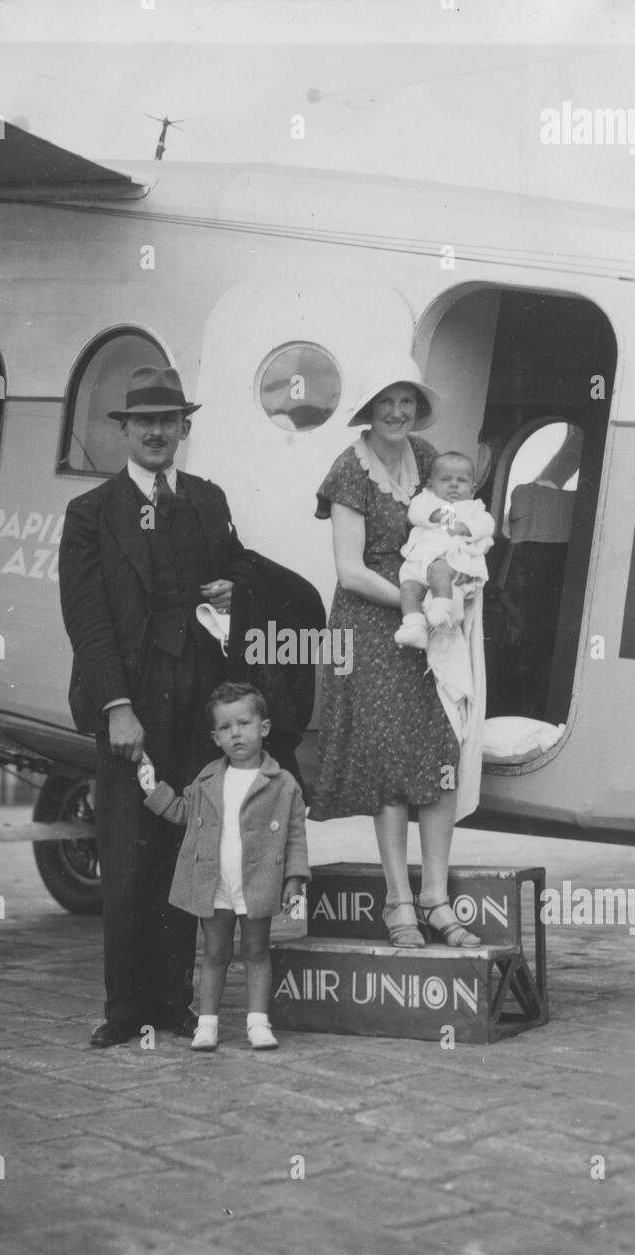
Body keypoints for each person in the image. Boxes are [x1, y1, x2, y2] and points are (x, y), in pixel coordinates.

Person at [58, 365, 244, 1047]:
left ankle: (171, 1003)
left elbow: (238, 564)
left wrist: (232, 589)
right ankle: (124, 1011)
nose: (158, 431)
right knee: (128, 857)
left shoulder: (206, 499)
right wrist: (116, 706)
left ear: (184, 428)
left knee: (182, 854)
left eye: (169, 420)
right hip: (128, 703)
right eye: (145, 422)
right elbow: (87, 618)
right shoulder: (90, 514)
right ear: (125, 431)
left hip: (194, 700)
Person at [309, 350, 482, 950]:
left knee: (438, 748)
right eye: (386, 401)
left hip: (429, 620)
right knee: (387, 758)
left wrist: (454, 582)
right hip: (370, 621)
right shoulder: (348, 469)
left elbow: (456, 527)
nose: (397, 411)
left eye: (406, 401)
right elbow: (350, 571)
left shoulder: (429, 458)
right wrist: (414, 606)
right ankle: (397, 899)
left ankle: (435, 897)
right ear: (368, 408)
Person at [138, 682, 310, 1052]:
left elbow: (296, 834)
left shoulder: (283, 784)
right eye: (226, 728)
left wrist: (295, 879)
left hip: (257, 881)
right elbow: (182, 812)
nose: (236, 733)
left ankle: (258, 1023)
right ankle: (207, 1025)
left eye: (244, 723)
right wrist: (153, 788)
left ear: (263, 728)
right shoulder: (206, 780)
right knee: (215, 952)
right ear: (215, 738)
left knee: (256, 950)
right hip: (214, 881)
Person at [394, 450, 494, 647]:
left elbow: (487, 523)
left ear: (473, 489)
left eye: (462, 480)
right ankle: (414, 627)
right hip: (420, 560)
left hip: (453, 559)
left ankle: (442, 607)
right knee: (407, 587)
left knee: (438, 569)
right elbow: (414, 514)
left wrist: (466, 528)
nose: (454, 484)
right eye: (445, 479)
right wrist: (433, 515)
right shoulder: (426, 501)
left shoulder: (473, 507)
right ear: (431, 484)